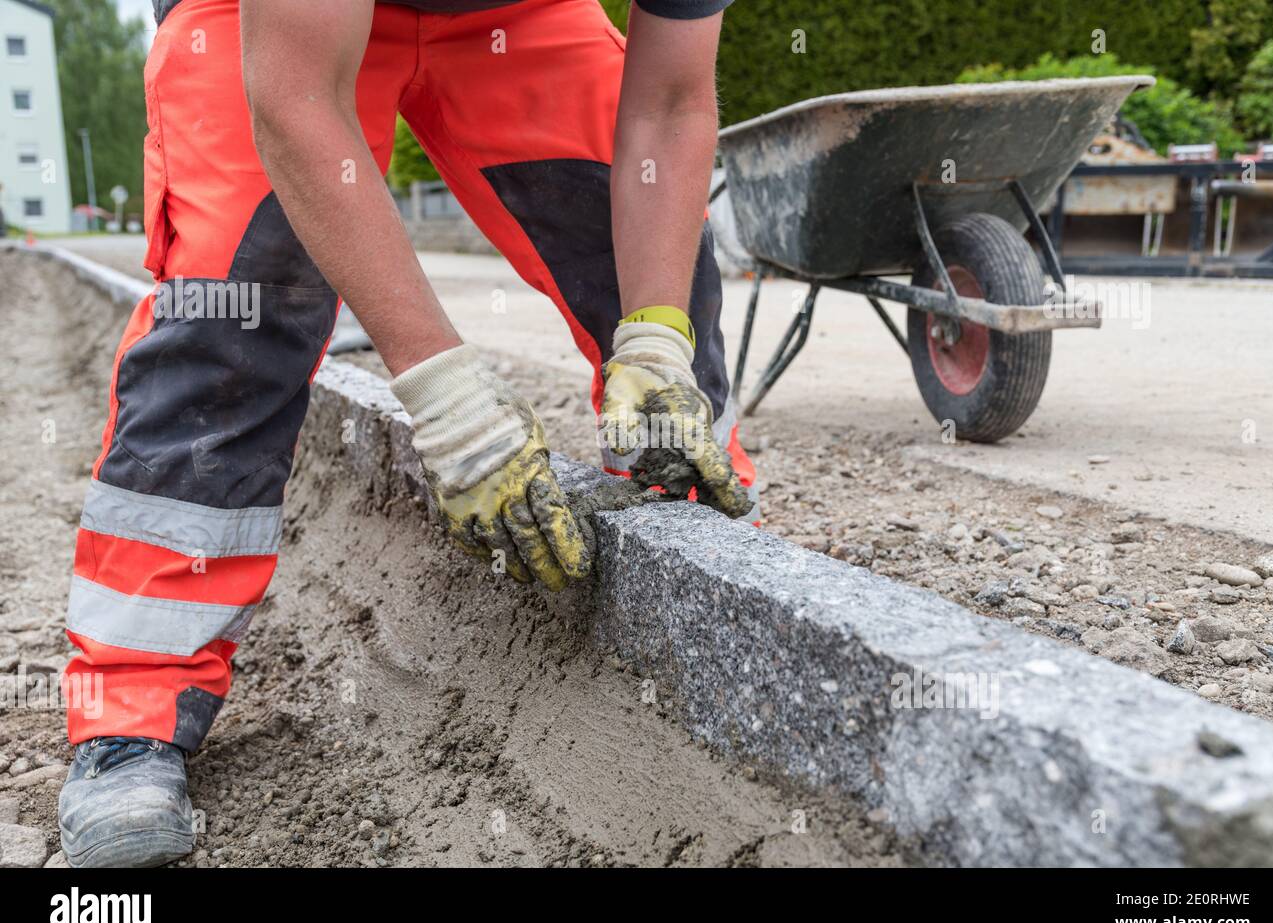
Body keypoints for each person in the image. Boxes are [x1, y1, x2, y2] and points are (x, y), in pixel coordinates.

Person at [57, 0, 757, 867]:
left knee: (662, 274)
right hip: (267, 28)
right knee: (235, 305)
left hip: (515, 13)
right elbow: (296, 97)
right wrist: (445, 393)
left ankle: (693, 571)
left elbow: (671, 103)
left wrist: (654, 338)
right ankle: (133, 711)